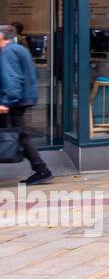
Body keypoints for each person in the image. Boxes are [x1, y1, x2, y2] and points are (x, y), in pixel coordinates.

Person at [0, 24, 51, 185]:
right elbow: (32, 73)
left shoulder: (8, 52)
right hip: (21, 100)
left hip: (13, 101)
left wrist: (6, 102)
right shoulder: (20, 49)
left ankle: (42, 169)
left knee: (20, 136)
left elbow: (12, 79)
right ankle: (41, 169)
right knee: (21, 136)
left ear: (2, 36)